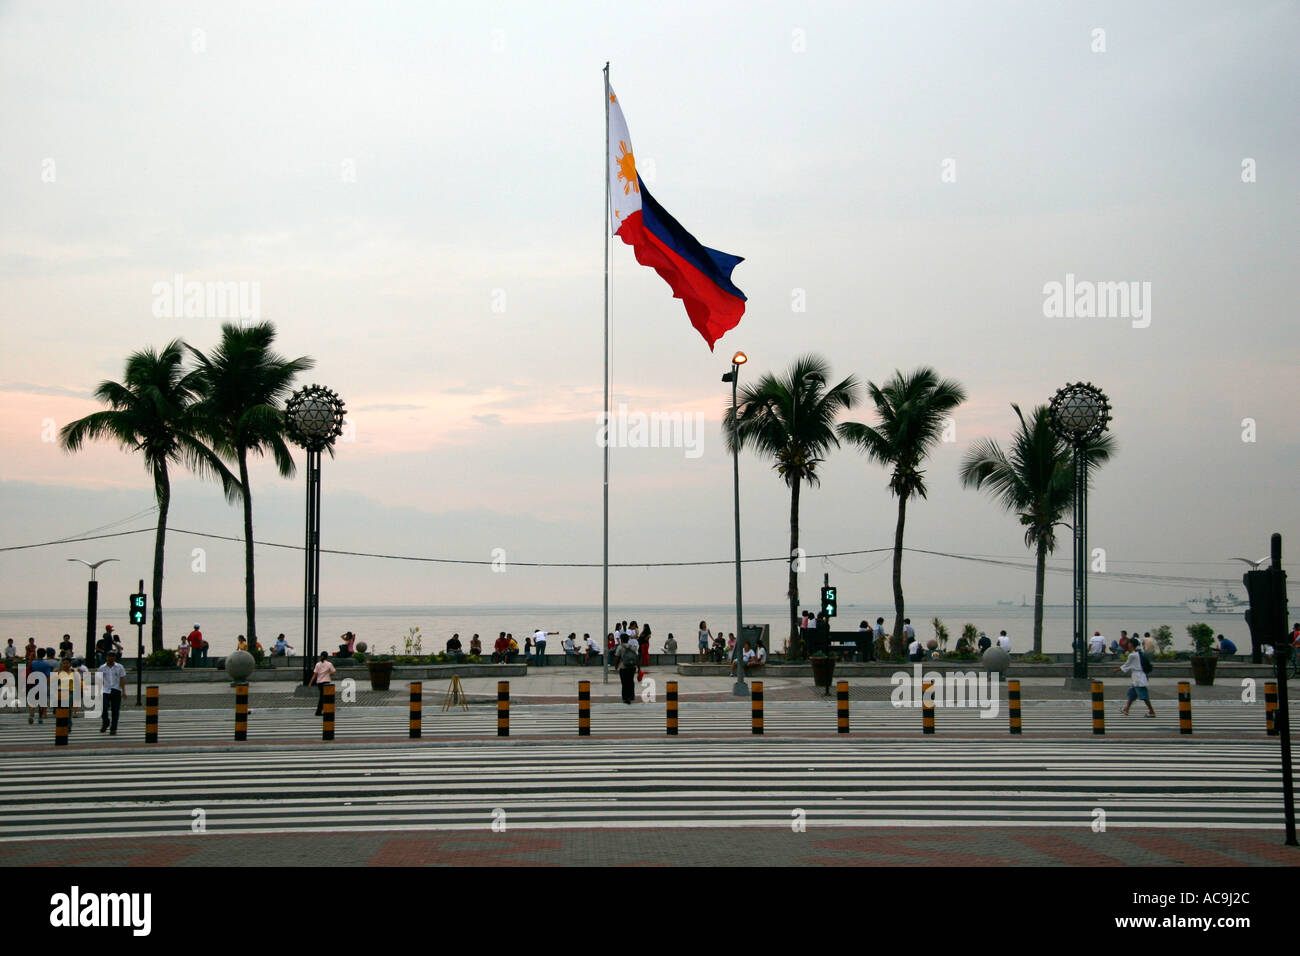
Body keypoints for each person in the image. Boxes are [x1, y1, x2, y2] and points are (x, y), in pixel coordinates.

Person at [1120, 641, 1155, 717]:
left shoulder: (1132, 655)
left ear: (1132, 644)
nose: (1128, 644)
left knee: (1144, 696)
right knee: (1132, 694)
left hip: (1138, 678)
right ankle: (1126, 709)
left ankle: (1151, 711)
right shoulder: (1139, 653)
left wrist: (1117, 670)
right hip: (1139, 677)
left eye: (1129, 643)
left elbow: (1126, 665)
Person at [98, 650, 127, 734]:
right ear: (106, 657)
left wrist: (124, 691)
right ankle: (105, 722)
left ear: (115, 657)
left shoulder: (120, 667)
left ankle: (113, 728)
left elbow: (122, 679)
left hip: (116, 690)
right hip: (105, 690)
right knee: (103, 708)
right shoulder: (102, 668)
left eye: (113, 656)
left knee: (115, 710)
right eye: (109, 656)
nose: (111, 658)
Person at [27, 648, 53, 724]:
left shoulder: (33, 663)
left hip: (32, 683)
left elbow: (29, 670)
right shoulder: (46, 664)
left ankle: (31, 713)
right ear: (44, 655)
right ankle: (40, 718)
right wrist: (48, 686)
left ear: (37, 653)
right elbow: (48, 676)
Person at [614, 634, 638, 703]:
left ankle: (625, 697)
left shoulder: (620, 647)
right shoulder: (632, 647)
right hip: (632, 667)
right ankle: (631, 696)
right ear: (628, 639)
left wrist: (616, 666)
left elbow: (617, 657)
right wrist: (638, 668)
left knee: (624, 682)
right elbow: (636, 657)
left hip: (624, 667)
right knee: (631, 681)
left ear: (621, 639)